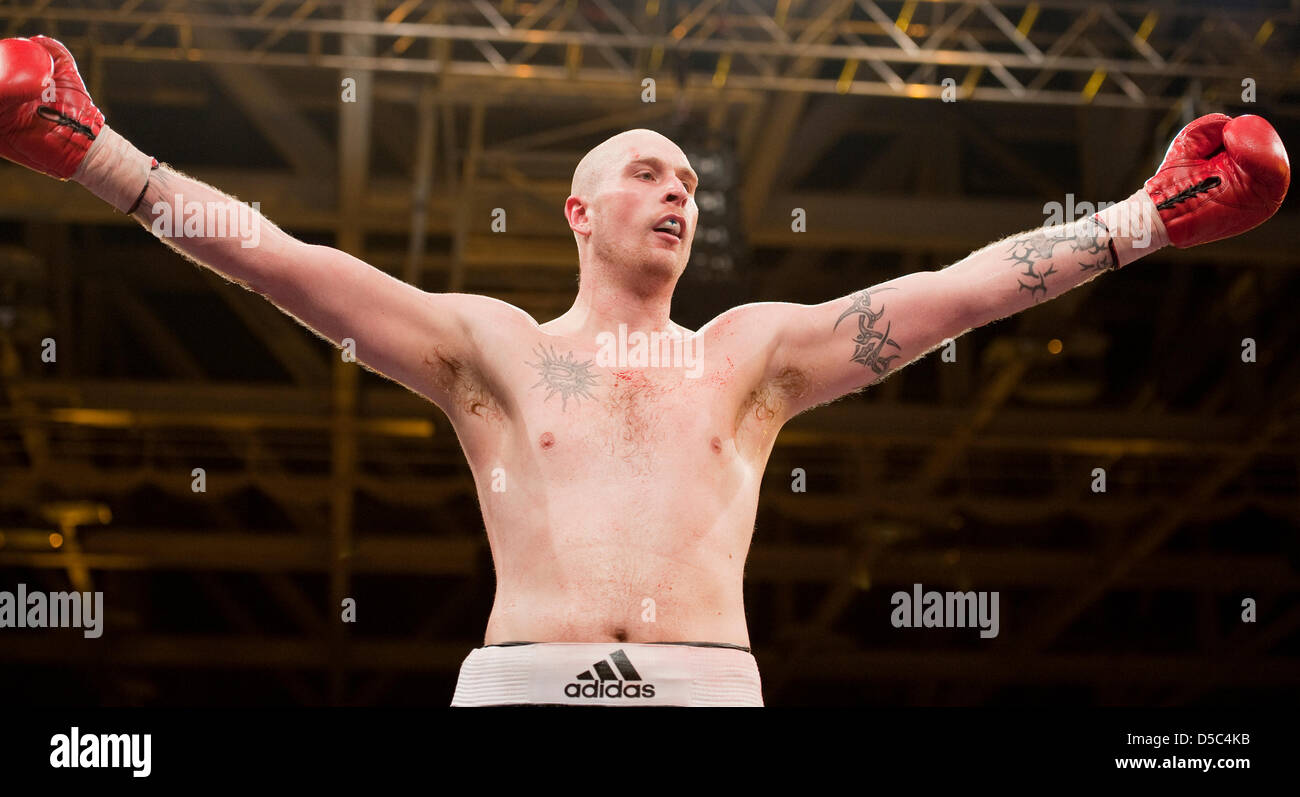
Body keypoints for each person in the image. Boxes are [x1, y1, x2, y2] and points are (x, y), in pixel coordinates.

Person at [0, 36, 1289, 706]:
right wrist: (100, 158)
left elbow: (960, 292)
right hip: (522, 682)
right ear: (574, 209)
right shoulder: (492, 350)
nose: (675, 193)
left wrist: (1141, 222)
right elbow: (282, 262)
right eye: (645, 172)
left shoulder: (752, 359)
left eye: (687, 179)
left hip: (706, 684)